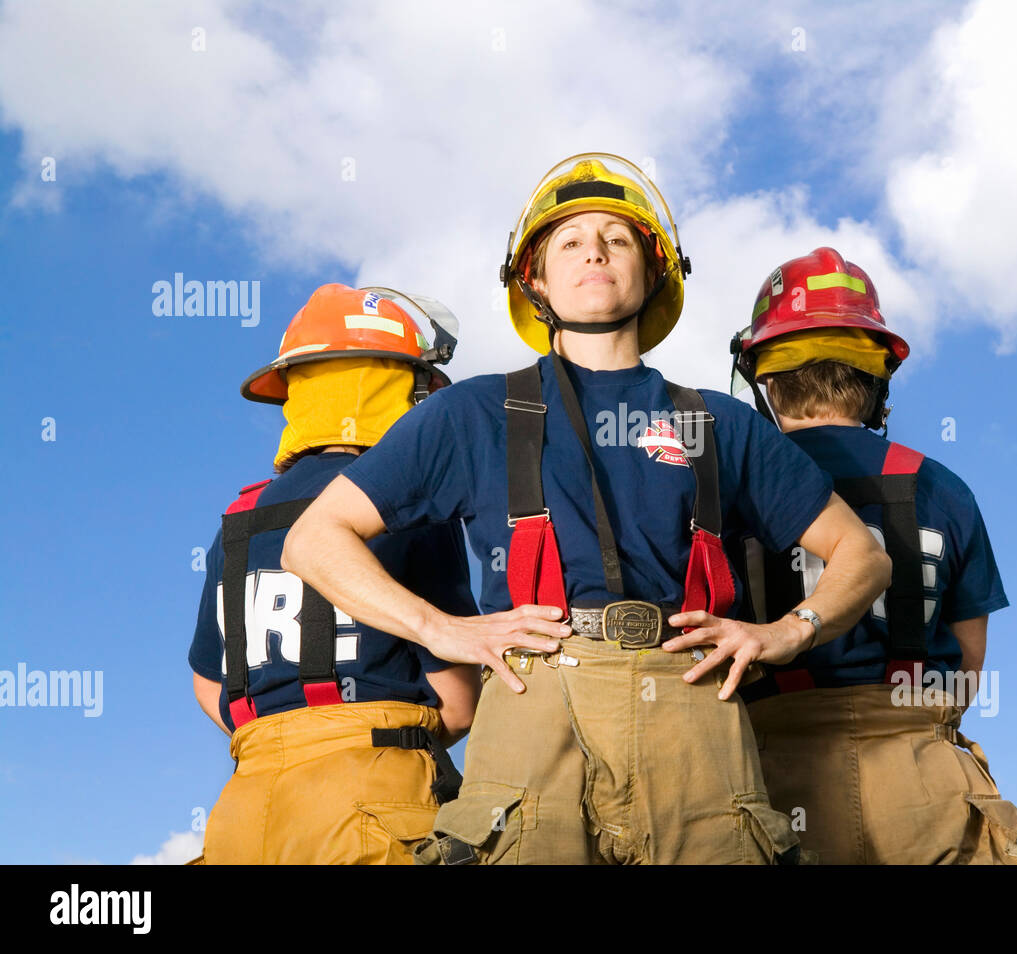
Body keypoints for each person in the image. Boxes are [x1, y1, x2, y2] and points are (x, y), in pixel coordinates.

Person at [282, 155, 892, 865]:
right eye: (568, 241)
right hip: (532, 704)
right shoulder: (472, 413)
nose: (594, 250)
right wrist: (440, 629)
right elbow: (314, 539)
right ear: (533, 279)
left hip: (692, 708)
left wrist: (790, 631)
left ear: (656, 271)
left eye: (618, 237)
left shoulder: (717, 422)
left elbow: (864, 554)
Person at [727, 246, 1017, 864]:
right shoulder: (945, 489)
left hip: (766, 782)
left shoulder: (728, 486)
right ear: (877, 380)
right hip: (923, 782)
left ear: (765, 375)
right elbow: (969, 664)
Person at [188, 282, 481, 865]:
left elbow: (208, 685)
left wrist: (287, 738)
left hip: (246, 808)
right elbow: (459, 703)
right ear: (404, 389)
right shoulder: (413, 511)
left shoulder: (237, 520)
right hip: (372, 796)